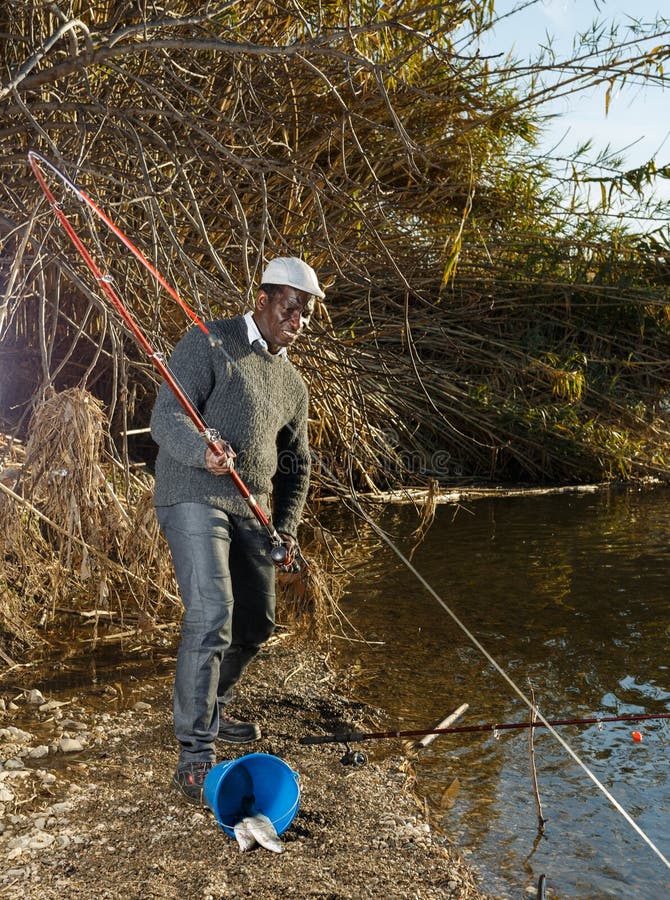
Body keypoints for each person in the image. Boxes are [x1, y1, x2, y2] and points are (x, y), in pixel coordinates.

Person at [150, 256, 324, 805]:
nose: (298, 321)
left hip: (252, 510)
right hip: (192, 492)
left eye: (306, 314)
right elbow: (166, 416)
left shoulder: (292, 384)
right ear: (263, 300)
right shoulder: (208, 341)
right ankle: (195, 755)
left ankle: (212, 706)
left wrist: (286, 528)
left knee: (256, 621)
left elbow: (297, 464)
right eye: (290, 308)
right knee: (212, 613)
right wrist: (201, 450)